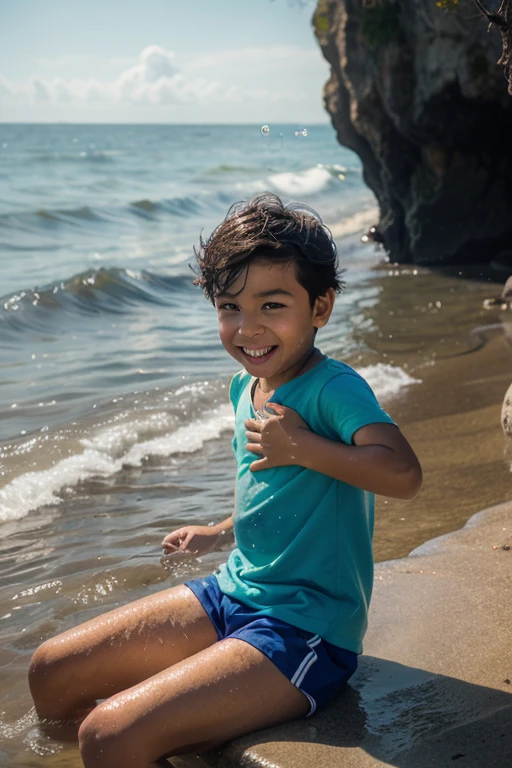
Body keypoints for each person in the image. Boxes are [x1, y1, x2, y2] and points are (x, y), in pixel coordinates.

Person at [28, 193, 422, 768]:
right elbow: (283, 495)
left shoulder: (333, 388)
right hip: (233, 593)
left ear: (321, 307)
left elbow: (403, 473)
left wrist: (304, 445)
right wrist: (219, 532)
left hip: (307, 630)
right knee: (51, 672)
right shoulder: (247, 388)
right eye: (230, 306)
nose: (248, 327)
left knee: (109, 734)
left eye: (272, 305)